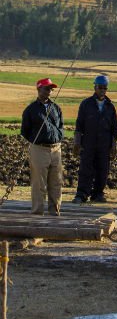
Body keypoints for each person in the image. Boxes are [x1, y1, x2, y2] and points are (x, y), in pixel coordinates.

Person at [72, 74, 117, 204]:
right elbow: (79, 124)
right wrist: (77, 142)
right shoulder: (86, 104)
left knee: (102, 170)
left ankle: (98, 194)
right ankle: (81, 194)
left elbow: (115, 129)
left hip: (104, 144)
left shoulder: (110, 106)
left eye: (105, 88)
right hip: (88, 143)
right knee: (85, 169)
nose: (102, 90)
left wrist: (113, 145)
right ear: (95, 87)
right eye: (100, 87)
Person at [20, 77, 64, 216]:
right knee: (39, 184)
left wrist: (57, 137)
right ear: (39, 89)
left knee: (56, 183)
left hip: (56, 149)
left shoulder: (56, 108)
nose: (49, 91)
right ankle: (37, 213)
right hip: (38, 149)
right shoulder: (30, 110)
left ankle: (54, 212)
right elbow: (25, 131)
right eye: (46, 88)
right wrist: (37, 141)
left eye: (51, 89)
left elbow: (61, 126)